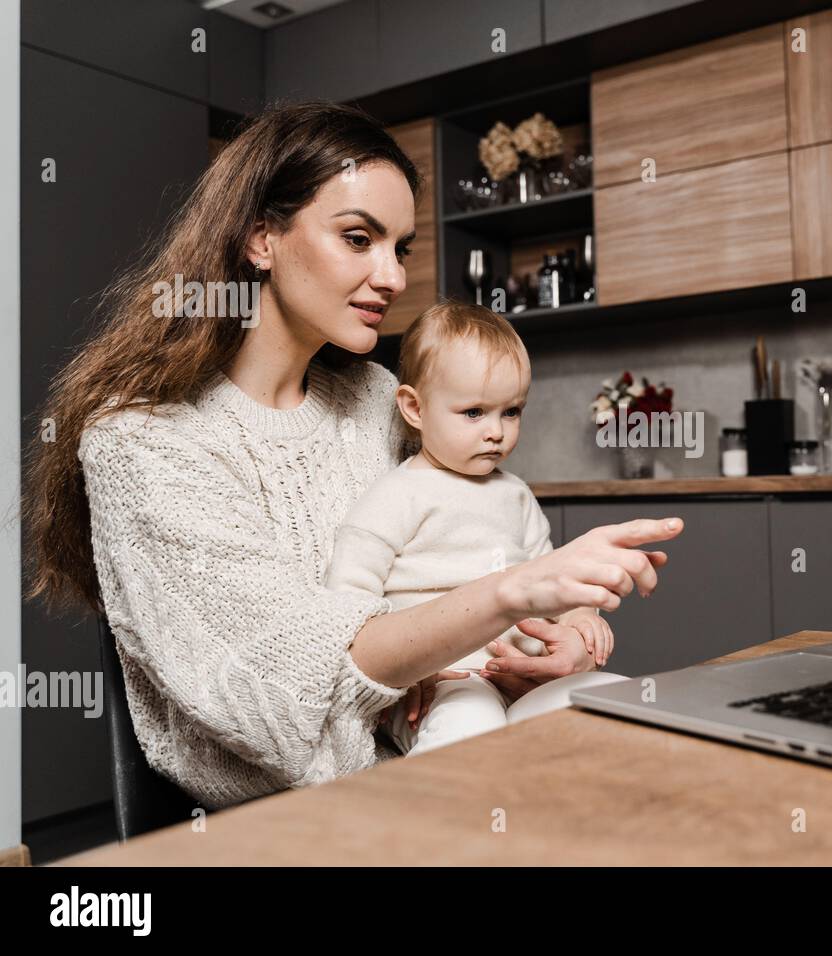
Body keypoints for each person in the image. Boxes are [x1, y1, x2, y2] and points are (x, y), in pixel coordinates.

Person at [23, 101, 682, 811]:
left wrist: (562, 642)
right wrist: (501, 601)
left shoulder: (376, 402)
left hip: (453, 765)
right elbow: (280, 708)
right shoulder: (144, 443)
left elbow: (468, 556)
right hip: (292, 828)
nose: (393, 277)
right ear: (260, 238)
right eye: (359, 238)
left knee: (656, 754)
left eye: (400, 249)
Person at [326, 300, 621, 754]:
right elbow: (348, 601)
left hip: (526, 673)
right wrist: (400, 673)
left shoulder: (516, 494)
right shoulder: (396, 494)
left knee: (612, 703)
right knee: (471, 724)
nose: (496, 432)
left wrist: (581, 618)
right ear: (414, 408)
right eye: (473, 413)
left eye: (511, 411)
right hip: (443, 683)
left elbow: (553, 579)